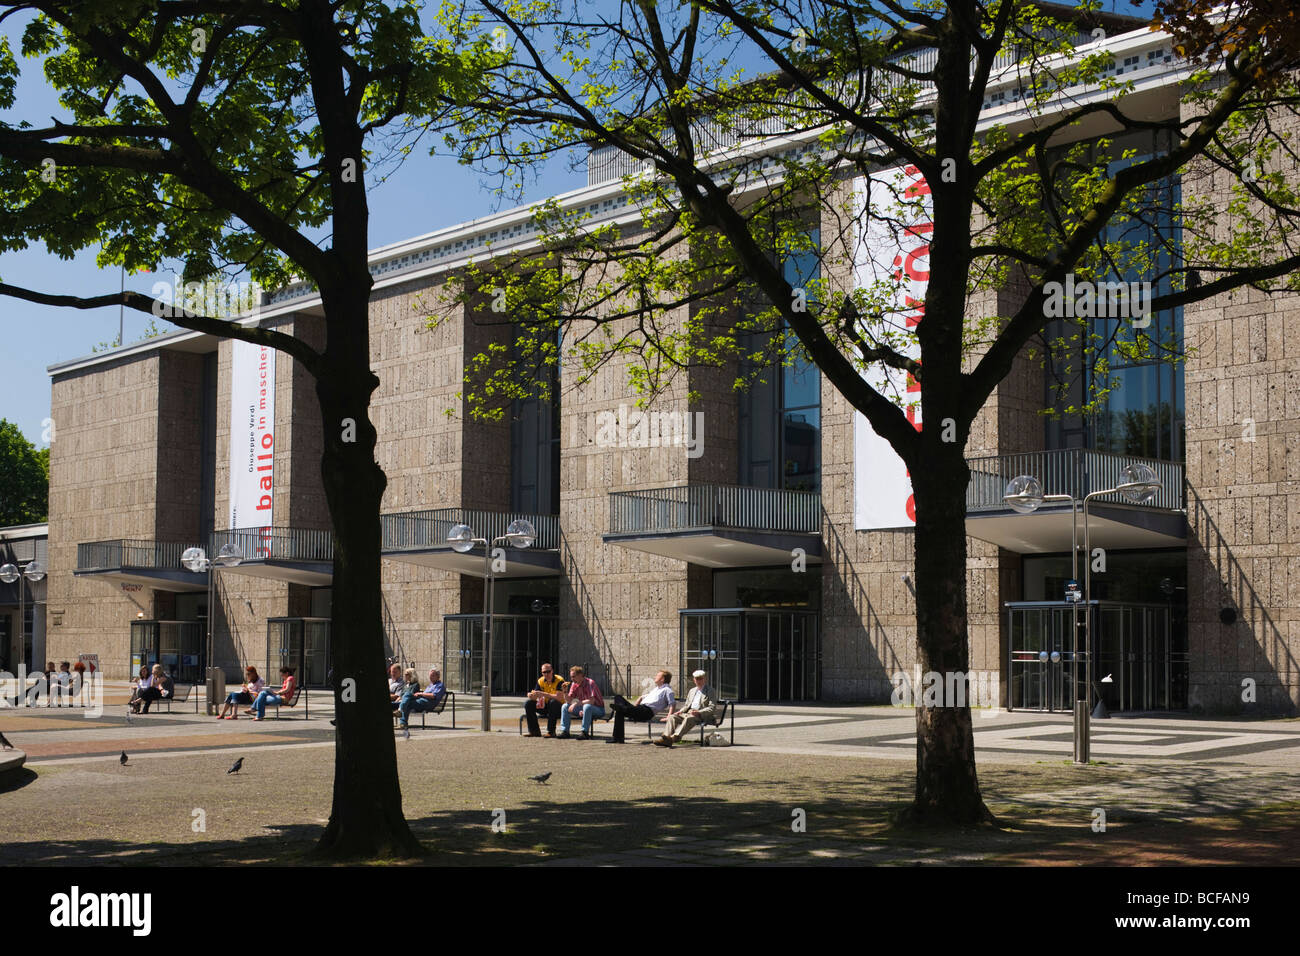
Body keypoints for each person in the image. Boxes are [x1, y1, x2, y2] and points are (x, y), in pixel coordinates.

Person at [605, 669, 674, 744]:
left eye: (657, 675)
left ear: (662, 679)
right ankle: (618, 738)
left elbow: (672, 704)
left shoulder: (667, 690)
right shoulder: (656, 689)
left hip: (647, 712)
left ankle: (624, 710)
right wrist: (635, 706)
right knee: (618, 698)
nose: (655, 676)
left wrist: (669, 716)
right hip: (639, 709)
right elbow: (642, 697)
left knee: (620, 710)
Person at [655, 670, 718, 748]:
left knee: (689, 718)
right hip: (689, 712)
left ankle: (674, 738)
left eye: (700, 679)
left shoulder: (710, 691)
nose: (698, 681)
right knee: (672, 717)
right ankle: (665, 737)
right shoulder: (692, 691)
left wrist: (699, 712)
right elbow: (687, 705)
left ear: (704, 679)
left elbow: (712, 707)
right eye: (696, 679)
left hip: (701, 715)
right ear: (694, 680)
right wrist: (679, 711)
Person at [557, 665, 604, 739]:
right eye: (571, 677)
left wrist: (576, 703)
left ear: (580, 675)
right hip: (583, 707)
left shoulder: (590, 683)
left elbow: (591, 701)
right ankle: (565, 731)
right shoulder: (574, 684)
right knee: (565, 706)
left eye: (574, 676)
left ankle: (584, 732)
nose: (572, 679)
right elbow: (569, 701)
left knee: (587, 706)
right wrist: (565, 691)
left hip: (598, 709)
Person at [523, 663, 565, 737]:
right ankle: (534, 731)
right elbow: (535, 696)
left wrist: (543, 694)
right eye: (544, 672)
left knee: (553, 702)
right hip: (544, 706)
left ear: (552, 671)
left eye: (548, 671)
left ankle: (551, 731)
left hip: (558, 708)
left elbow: (559, 698)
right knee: (528, 703)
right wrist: (530, 695)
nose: (546, 674)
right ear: (541, 672)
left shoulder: (560, 680)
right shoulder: (540, 681)